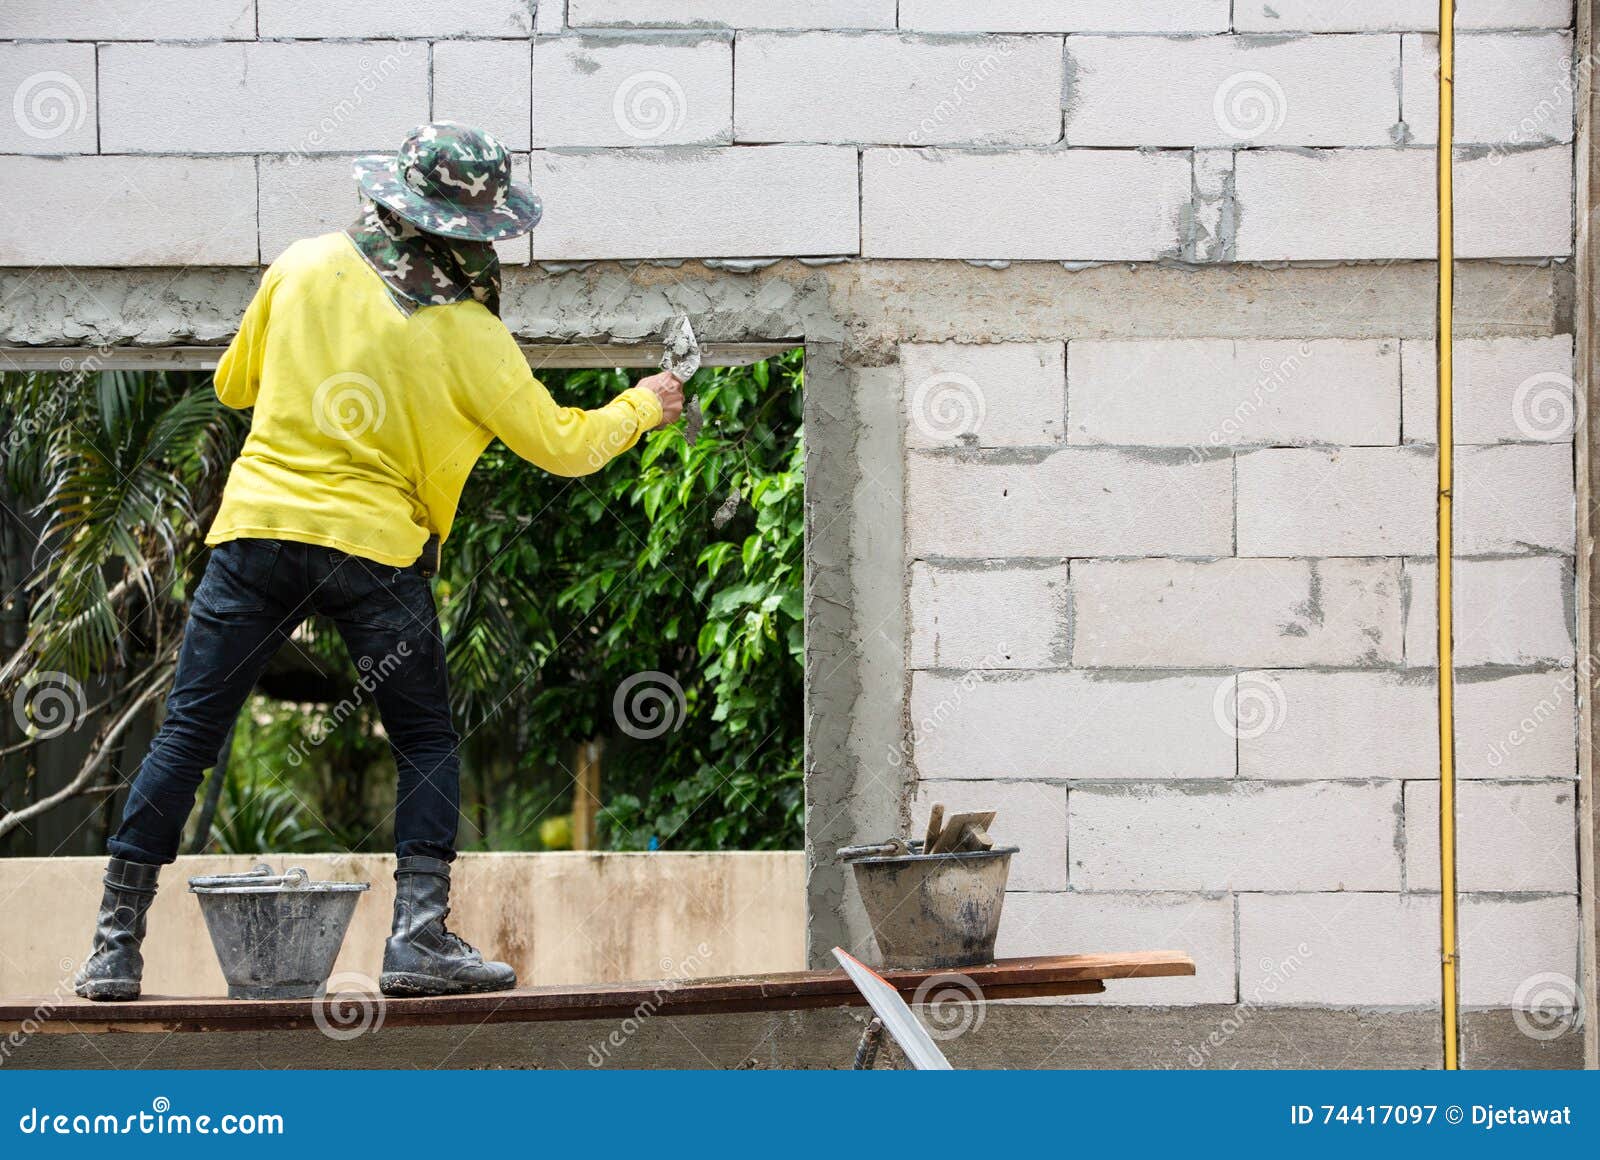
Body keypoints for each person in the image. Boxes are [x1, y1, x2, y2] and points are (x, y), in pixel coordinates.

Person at [73, 122, 685, 1001]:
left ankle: (112, 948)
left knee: (188, 736)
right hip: (373, 551)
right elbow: (565, 445)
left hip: (256, 534)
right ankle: (418, 939)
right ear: (475, 230)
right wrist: (645, 402)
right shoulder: (470, 334)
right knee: (426, 742)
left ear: (393, 196)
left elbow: (232, 388)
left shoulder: (302, 263)